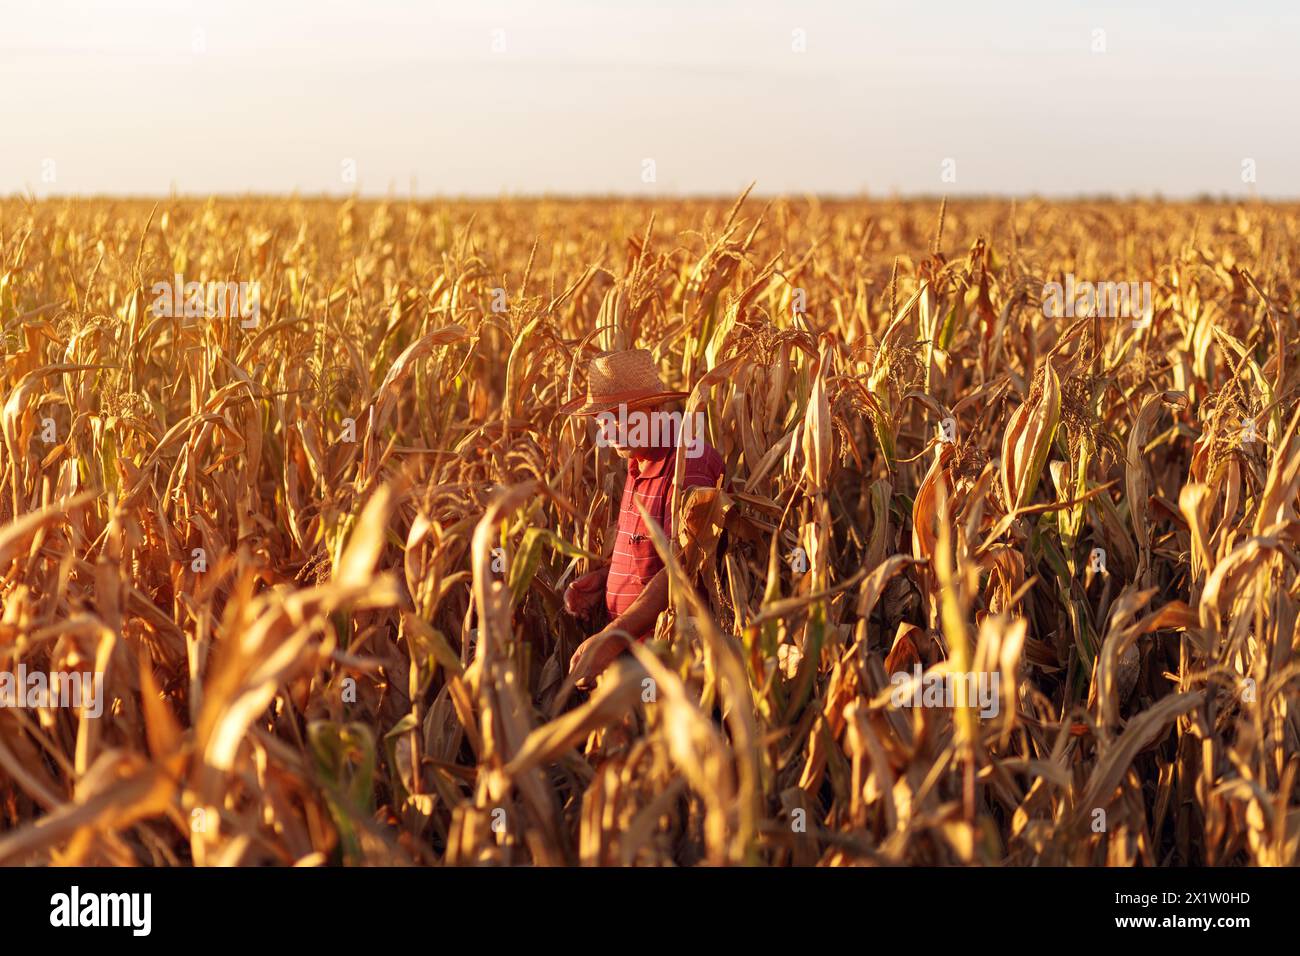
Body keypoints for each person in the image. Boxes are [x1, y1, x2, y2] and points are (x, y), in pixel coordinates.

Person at [559, 349, 724, 689]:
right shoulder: (637, 464)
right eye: (602, 419)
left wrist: (611, 639)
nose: (610, 429)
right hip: (632, 660)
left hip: (670, 662)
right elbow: (650, 556)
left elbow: (683, 567)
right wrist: (606, 580)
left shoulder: (688, 463)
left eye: (620, 416)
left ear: (655, 409)